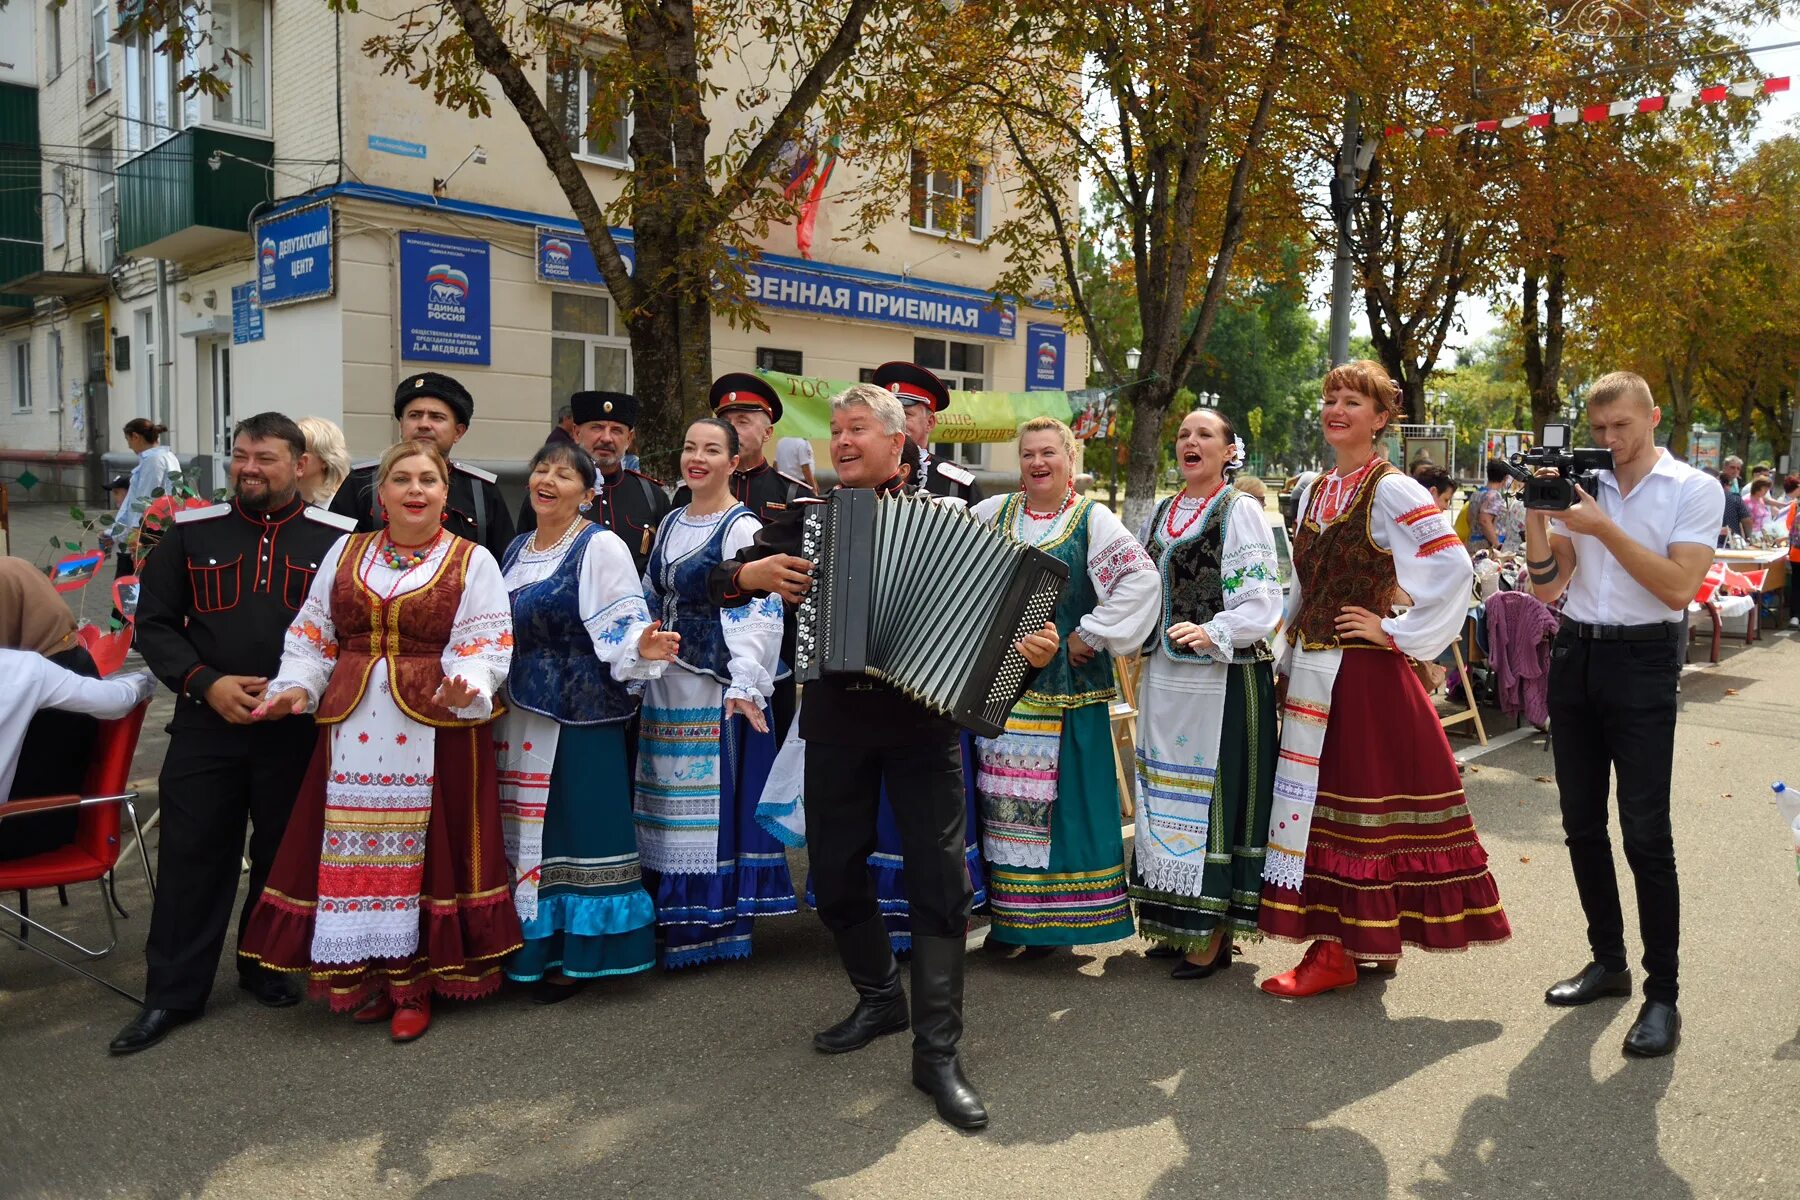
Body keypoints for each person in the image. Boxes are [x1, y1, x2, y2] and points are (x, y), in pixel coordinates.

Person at [710, 382, 1059, 1130]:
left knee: (939, 888)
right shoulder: (803, 522)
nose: (841, 441)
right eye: (835, 429)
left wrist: (1029, 655)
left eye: (858, 429)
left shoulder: (950, 521)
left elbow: (1002, 641)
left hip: (923, 732)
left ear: (896, 442)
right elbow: (709, 582)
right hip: (834, 724)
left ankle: (938, 1054)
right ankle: (879, 998)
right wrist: (749, 575)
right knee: (833, 876)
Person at [239, 440, 521, 1043]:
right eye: (402, 479)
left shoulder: (473, 561)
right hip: (353, 726)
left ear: (446, 495)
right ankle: (369, 974)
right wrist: (294, 689)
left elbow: (487, 642)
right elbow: (314, 636)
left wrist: (465, 683)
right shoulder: (345, 551)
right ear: (380, 494)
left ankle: (416, 982)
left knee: (427, 851)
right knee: (356, 847)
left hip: (434, 724)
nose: (415, 490)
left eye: (428, 480)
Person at [1257, 361, 1509, 996]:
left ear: (1380, 419)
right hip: (1315, 670)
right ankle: (1365, 939)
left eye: (1352, 402)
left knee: (1349, 806)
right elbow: (1303, 584)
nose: (1336, 410)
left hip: (1360, 676)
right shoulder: (1315, 488)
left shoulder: (1393, 489)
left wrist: (1393, 631)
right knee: (1327, 807)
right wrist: (1281, 644)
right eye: (1330, 399)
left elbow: (1454, 568)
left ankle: (1338, 949)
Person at [108, 413, 357, 1056]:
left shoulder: (340, 541)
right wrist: (203, 682)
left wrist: (304, 691)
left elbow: (353, 632)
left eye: (264, 458)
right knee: (193, 855)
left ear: (299, 465)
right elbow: (155, 625)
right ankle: (172, 992)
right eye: (240, 455)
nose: (248, 468)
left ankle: (264, 965)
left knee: (281, 853)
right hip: (205, 724)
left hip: (295, 728)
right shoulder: (191, 535)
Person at [1523, 371, 1719, 1059]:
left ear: (1653, 418)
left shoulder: (1692, 488)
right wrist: (1538, 513)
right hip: (1576, 653)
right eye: (1598, 431)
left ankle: (1661, 993)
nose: (1609, 442)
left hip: (1642, 662)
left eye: (1621, 429)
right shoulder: (1588, 484)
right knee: (1580, 823)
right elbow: (1550, 584)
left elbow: (1677, 587)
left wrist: (1603, 525)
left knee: (1645, 833)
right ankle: (1607, 962)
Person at [969, 417, 1159, 956]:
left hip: (1068, 690)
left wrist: (1090, 632)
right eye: (1028, 454)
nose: (1037, 463)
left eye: (1049, 452)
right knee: (1002, 804)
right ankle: (1011, 922)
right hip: (1001, 690)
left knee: (1064, 808)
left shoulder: (1092, 520)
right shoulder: (990, 513)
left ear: (1070, 460)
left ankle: (1061, 927)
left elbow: (1141, 580)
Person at [498, 440, 679, 1000]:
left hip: (579, 712)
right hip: (518, 711)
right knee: (531, 832)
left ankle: (582, 952)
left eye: (564, 475)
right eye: (540, 470)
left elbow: (624, 624)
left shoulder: (599, 546)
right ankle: (531, 944)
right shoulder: (515, 548)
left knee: (577, 831)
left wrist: (641, 648)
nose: (547, 480)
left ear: (586, 492)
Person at [636, 417, 795, 967]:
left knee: (707, 810)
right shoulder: (672, 519)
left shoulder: (740, 527)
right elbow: (650, 594)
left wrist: (748, 677)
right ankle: (670, 913)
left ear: (733, 462)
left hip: (716, 683)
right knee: (665, 802)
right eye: (689, 447)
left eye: (711, 450)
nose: (696, 458)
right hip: (666, 683)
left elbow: (760, 606)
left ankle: (712, 922)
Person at [1129, 410, 1282, 978]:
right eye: (1183, 435)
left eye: (1205, 435)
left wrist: (1214, 629)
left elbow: (1262, 603)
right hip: (1168, 678)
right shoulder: (1166, 511)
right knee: (1166, 793)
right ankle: (1175, 921)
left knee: (1214, 797)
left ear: (1228, 451)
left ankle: (1214, 932)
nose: (1191, 442)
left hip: (1223, 676)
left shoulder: (1238, 509)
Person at [674, 373, 815, 740]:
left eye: (743, 421)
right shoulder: (685, 497)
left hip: (773, 653)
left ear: (768, 432)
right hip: (695, 658)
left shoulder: (791, 494)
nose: (733, 428)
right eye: (726, 421)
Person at [0, 559, 128, 860]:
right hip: (47, 819)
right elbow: (120, 697)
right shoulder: (67, 660)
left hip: (23, 825)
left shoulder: (30, 675)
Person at [330, 372, 515, 563]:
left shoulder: (480, 490)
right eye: (415, 415)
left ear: (458, 432)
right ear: (401, 425)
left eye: (437, 417)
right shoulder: (362, 481)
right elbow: (335, 554)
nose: (424, 424)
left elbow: (504, 565)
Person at [520, 391, 671, 576]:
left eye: (616, 430)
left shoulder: (652, 497)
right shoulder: (548, 495)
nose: (607, 438)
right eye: (597, 428)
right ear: (576, 433)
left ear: (629, 438)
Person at [873, 361, 982, 503]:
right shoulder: (865, 474)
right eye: (889, 416)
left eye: (905, 414)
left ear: (929, 423)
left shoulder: (956, 484)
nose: (896, 423)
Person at [102, 418, 182, 579]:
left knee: (127, 595)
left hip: (143, 539)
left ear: (135, 437)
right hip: (153, 534)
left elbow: (143, 504)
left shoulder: (154, 461)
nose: (129, 446)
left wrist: (129, 537)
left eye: (128, 440)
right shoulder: (165, 457)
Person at [295, 416, 352, 508]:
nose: (291, 457)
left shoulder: (341, 506)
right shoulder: (281, 502)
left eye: (299, 450)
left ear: (325, 460)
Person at [1466, 459, 1512, 554]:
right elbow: (1484, 520)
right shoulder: (1494, 496)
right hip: (1486, 547)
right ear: (1505, 478)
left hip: (1473, 543)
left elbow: (1469, 518)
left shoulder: (1476, 493)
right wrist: (1497, 544)